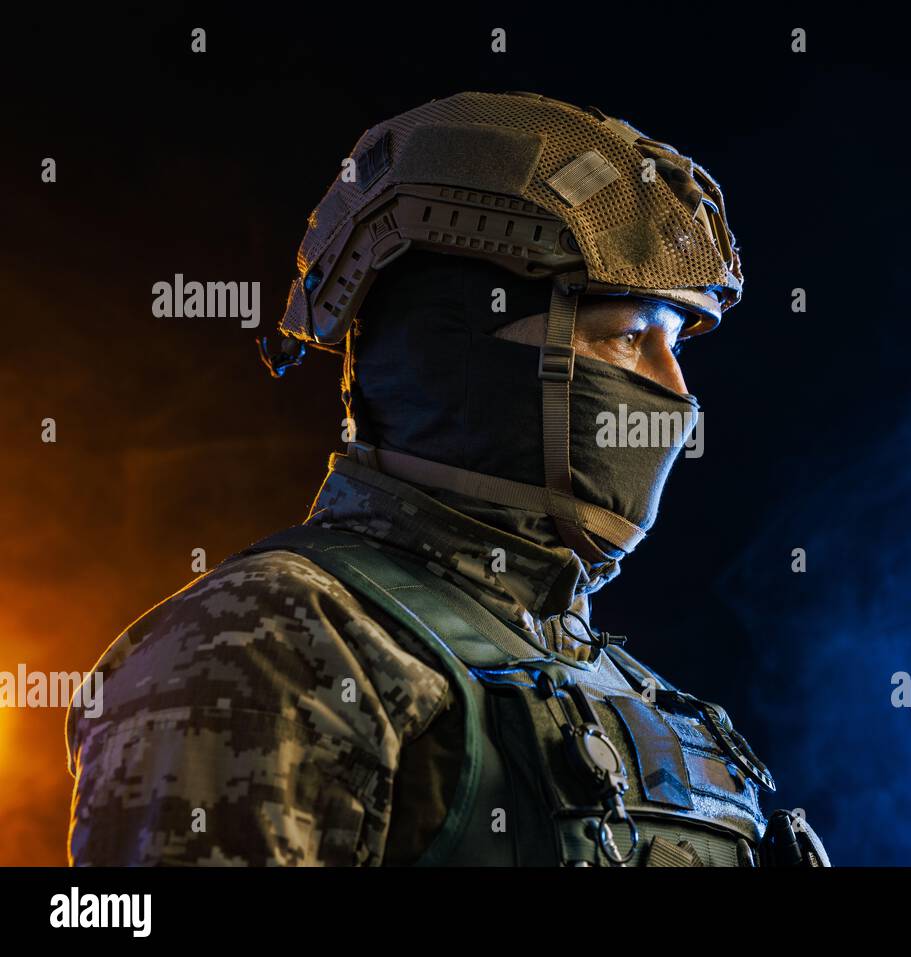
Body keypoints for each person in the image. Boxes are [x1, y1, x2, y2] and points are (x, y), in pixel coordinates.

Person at [66, 91, 829, 867]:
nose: (675, 392)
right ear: (470, 359)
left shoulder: (619, 681)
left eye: (677, 345)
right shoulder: (271, 643)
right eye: (629, 337)